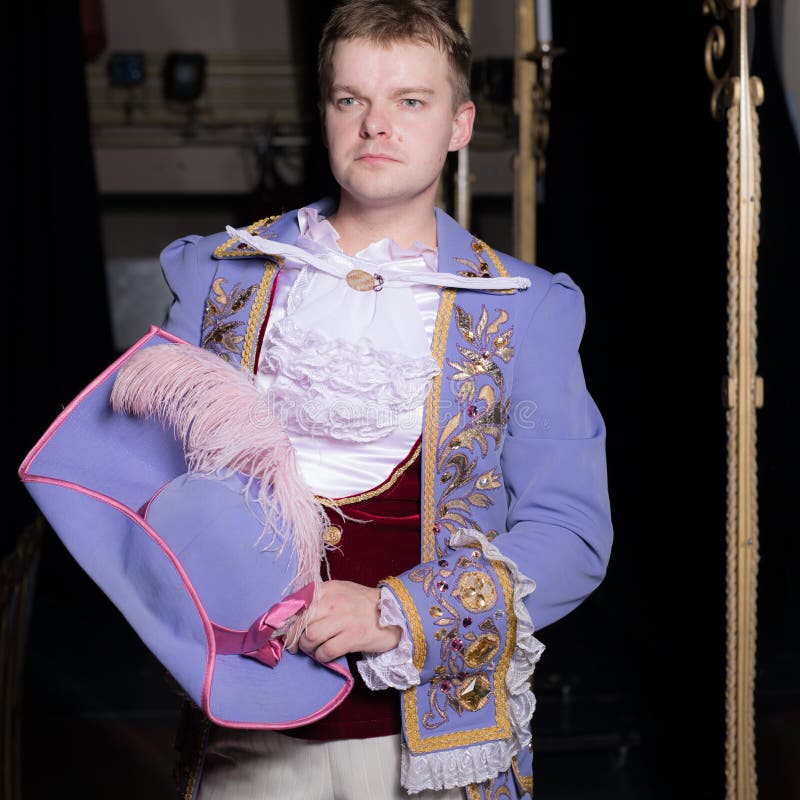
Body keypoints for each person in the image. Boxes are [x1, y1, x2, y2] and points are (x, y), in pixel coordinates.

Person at [19, 1, 613, 798]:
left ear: (459, 124)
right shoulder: (221, 276)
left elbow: (571, 534)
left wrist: (397, 614)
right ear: (326, 112)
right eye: (350, 100)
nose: (377, 125)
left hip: (433, 740)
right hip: (244, 732)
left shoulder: (522, 307)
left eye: (410, 101)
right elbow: (143, 484)